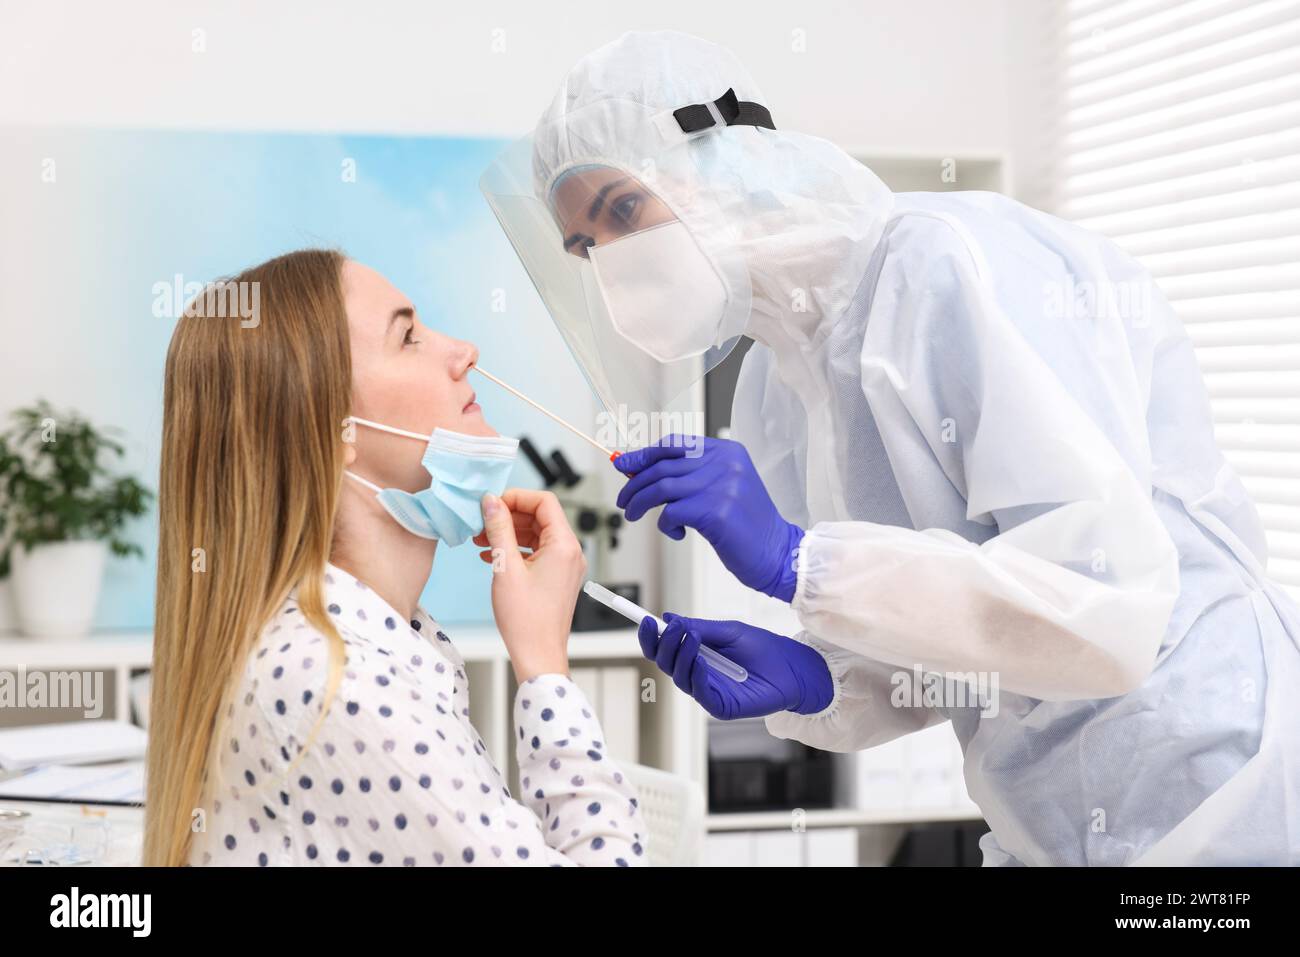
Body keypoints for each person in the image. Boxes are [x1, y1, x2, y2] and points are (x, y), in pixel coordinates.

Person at [482, 31, 1300, 865]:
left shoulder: (945, 268)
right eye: (584, 245)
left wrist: (801, 561)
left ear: (719, 155)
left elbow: (1109, 612)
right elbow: (975, 636)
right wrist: (827, 677)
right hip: (1043, 818)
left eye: (622, 209)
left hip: (1214, 780)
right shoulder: (777, 385)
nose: (609, 259)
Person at [145, 249, 646, 867]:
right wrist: (544, 666)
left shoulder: (387, 641)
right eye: (408, 337)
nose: (464, 351)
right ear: (333, 431)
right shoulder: (332, 683)